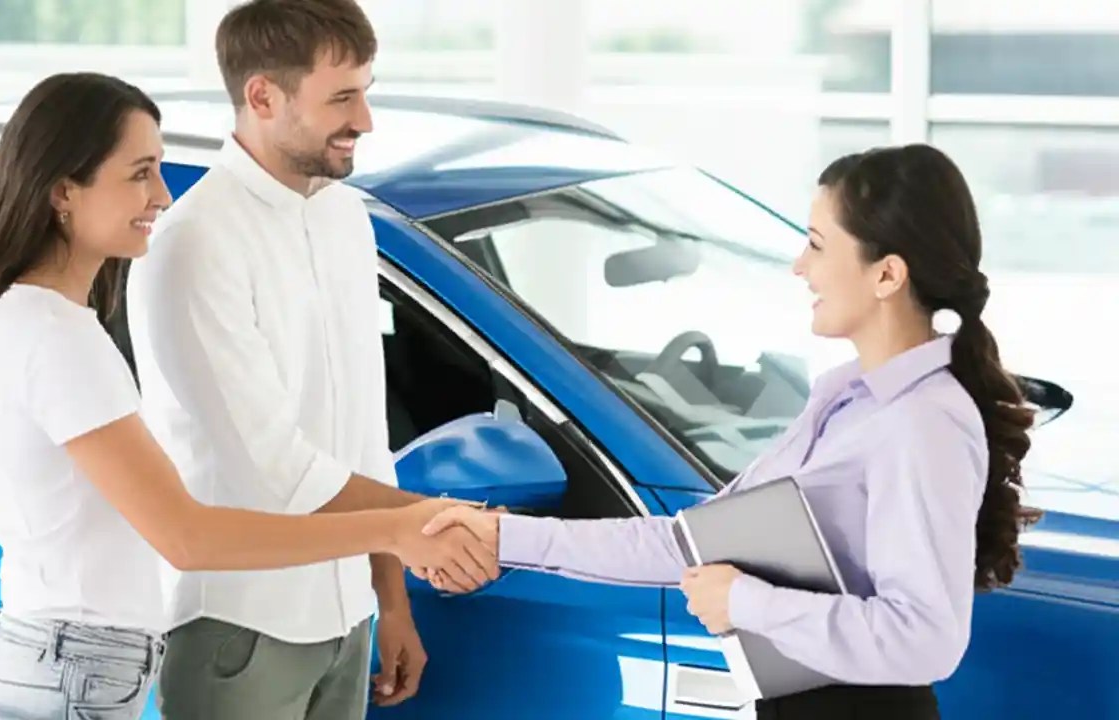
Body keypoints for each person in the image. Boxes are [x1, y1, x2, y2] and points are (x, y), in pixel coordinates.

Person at [0, 71, 496, 720]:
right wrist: (399, 527)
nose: (162, 194)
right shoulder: (57, 337)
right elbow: (187, 536)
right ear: (64, 190)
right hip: (69, 672)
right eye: (140, 173)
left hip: (68, 664)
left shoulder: (43, 320)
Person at [421, 144, 1039, 719]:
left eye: (818, 246)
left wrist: (746, 602)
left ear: (887, 275)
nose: (801, 267)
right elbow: (686, 544)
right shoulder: (846, 396)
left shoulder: (921, 423)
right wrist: (504, 535)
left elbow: (924, 642)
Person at [124, 2, 460, 718]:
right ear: (263, 96)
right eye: (342, 97)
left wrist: (390, 599)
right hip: (243, 628)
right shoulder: (194, 243)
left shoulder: (346, 217)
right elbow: (274, 464)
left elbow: (366, 429)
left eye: (367, 91)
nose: (365, 119)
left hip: (346, 621)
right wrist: (438, 519)